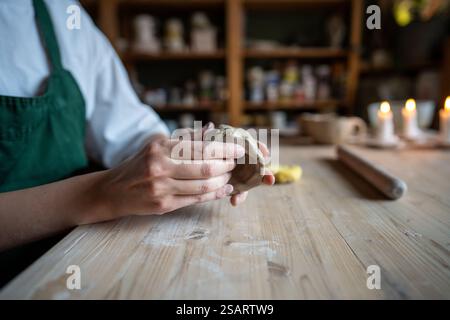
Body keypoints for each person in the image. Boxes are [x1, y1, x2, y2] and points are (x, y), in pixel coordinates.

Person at [0, 0, 274, 252]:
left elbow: (130, 128)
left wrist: (183, 159)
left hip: (72, 253)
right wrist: (98, 194)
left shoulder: (63, 12)